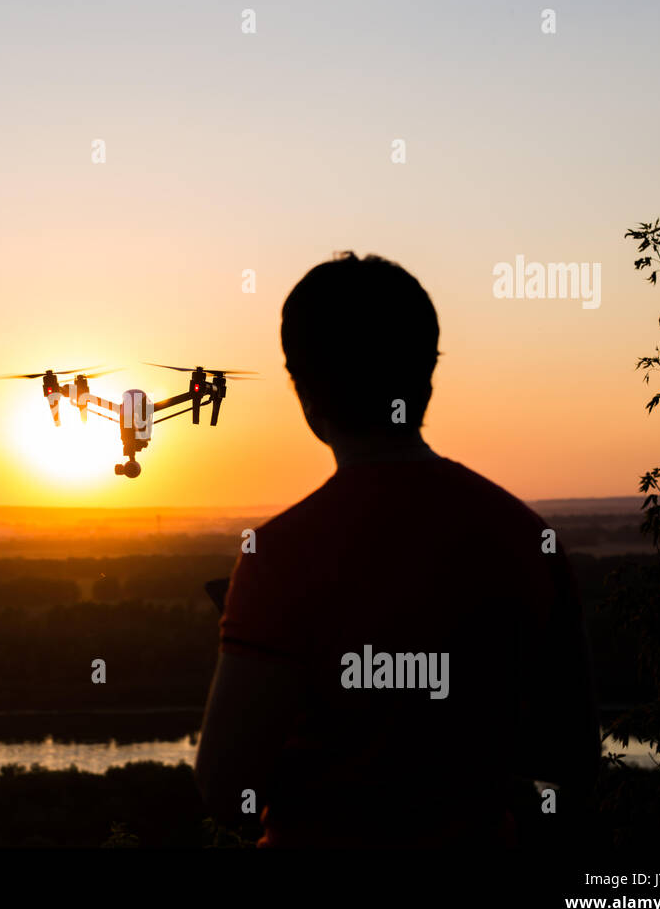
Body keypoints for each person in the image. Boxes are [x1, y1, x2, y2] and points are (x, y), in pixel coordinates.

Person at [194, 252, 601, 846]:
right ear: (427, 377)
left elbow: (225, 790)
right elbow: (572, 759)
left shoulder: (278, 556)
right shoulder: (527, 537)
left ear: (305, 393)